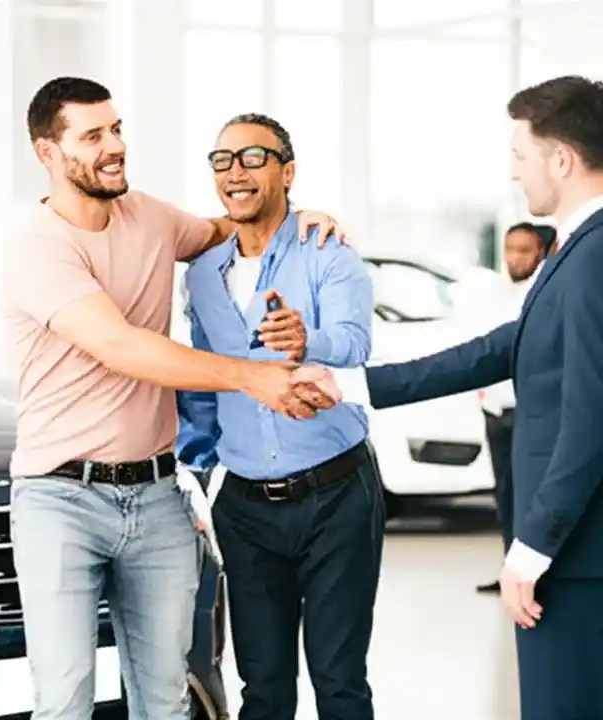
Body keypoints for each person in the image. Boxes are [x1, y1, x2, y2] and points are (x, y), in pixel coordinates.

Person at [2, 76, 345, 720]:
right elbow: (123, 346)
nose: (114, 147)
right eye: (93, 136)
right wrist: (252, 377)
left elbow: (228, 228)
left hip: (158, 496)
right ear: (48, 152)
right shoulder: (39, 250)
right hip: (61, 500)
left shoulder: (151, 217)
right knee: (66, 700)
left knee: (166, 698)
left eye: (117, 130)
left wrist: (300, 219)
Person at [296, 74, 603, 720]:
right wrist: (352, 384)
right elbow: (501, 348)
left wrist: (531, 549)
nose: (512, 172)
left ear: (562, 159)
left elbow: (590, 422)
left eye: (519, 155)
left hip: (577, 558)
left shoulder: (593, 256)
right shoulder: (577, 248)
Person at [176, 113, 381, 720]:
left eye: (252, 158)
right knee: (262, 688)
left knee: (339, 681)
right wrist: (196, 474)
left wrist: (306, 339)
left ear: (287, 172)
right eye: (222, 160)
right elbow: (203, 379)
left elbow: (354, 343)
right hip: (244, 508)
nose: (234, 171)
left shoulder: (327, 252)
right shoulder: (203, 273)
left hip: (335, 496)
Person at [476, 222, 547, 593]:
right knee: (505, 495)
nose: (515, 258)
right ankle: (510, 571)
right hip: (495, 409)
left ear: (539, 253)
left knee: (530, 496)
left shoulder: (543, 291)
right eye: (510, 249)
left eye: (524, 250)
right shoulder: (493, 294)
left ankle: (534, 575)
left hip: (527, 410)